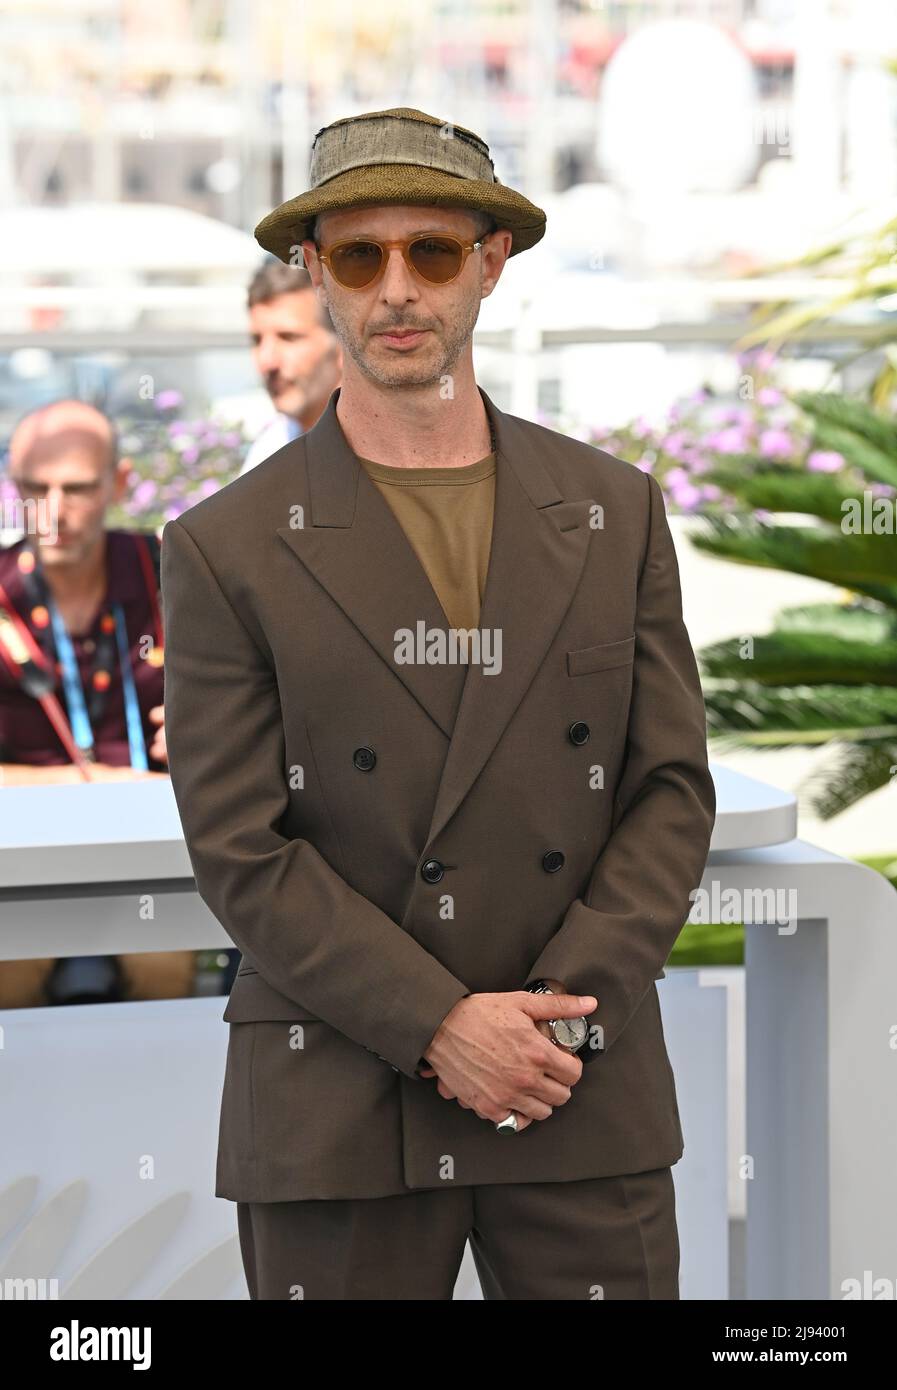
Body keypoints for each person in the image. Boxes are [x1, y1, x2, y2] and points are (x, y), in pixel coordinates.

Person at [161, 106, 716, 1300]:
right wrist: (440, 1022)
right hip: (339, 1098)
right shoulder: (226, 547)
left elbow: (667, 790)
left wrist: (554, 1023)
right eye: (360, 256)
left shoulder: (615, 511)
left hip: (578, 1083)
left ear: (492, 263)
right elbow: (239, 847)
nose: (397, 289)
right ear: (314, 274)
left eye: (434, 252)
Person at [0, 399, 193, 1008]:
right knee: (10, 977)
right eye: (37, 487)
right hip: (18, 867)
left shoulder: (178, 576)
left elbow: (273, 709)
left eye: (79, 489)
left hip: (158, 857)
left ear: (120, 483)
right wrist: (95, 781)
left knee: (165, 972)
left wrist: (210, 734)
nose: (54, 512)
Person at [238, 258, 342, 476]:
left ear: (344, 346)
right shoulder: (268, 451)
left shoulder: (389, 453)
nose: (268, 362)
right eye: (257, 341)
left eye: (288, 338)